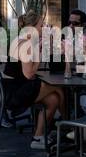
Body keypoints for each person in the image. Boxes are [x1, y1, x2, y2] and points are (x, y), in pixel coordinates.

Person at [5, 9, 64, 149]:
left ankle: (38, 138)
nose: (43, 28)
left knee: (54, 100)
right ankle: (71, 126)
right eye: (41, 25)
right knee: (59, 88)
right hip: (15, 94)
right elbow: (29, 74)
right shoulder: (26, 44)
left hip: (14, 88)